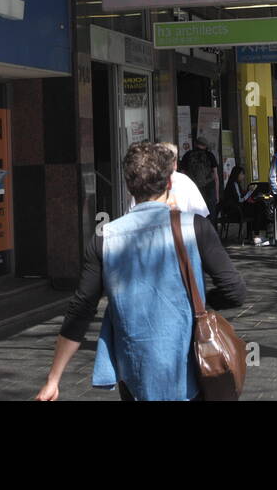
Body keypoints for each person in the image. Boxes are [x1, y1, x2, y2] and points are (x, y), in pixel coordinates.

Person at [36, 142, 247, 401]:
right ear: (169, 183)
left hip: (134, 375)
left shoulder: (105, 238)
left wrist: (53, 380)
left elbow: (80, 311)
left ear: (128, 187)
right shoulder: (196, 227)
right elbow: (235, 291)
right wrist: (200, 303)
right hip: (189, 373)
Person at [180, 137, 221, 217]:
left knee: (195, 215)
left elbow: (182, 176)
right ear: (205, 146)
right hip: (209, 188)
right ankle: (210, 229)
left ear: (195, 144)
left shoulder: (187, 155)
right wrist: (217, 195)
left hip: (193, 190)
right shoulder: (210, 155)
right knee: (210, 214)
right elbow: (216, 177)